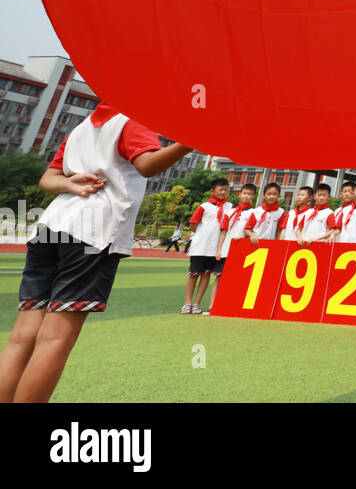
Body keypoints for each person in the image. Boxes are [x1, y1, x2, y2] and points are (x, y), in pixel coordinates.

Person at [0, 104, 191, 401]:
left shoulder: (81, 128)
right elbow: (147, 165)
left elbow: (47, 178)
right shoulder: (133, 118)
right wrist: (191, 142)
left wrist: (66, 182)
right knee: (55, 338)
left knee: (21, 337)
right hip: (92, 230)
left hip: (50, 225)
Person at [183, 178, 232, 314]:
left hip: (216, 249)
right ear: (212, 191)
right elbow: (193, 225)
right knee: (193, 274)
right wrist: (203, 235)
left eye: (226, 190)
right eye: (220, 189)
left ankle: (197, 303)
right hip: (200, 247)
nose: (223, 192)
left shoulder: (229, 207)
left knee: (206, 275)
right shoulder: (204, 207)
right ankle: (187, 303)